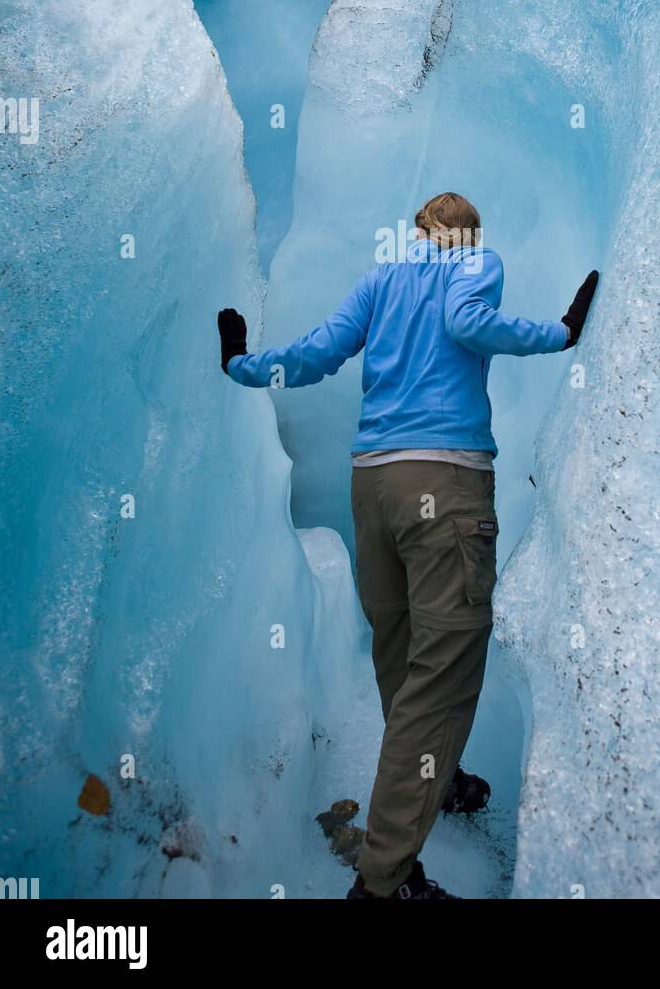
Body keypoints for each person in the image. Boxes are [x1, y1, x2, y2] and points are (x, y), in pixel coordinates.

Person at [218, 192, 599, 899]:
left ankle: (438, 779)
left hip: (375, 487)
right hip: (444, 481)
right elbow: (466, 321)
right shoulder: (474, 263)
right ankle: (384, 881)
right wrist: (561, 332)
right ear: (465, 234)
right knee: (444, 662)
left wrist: (241, 363)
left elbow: (313, 356)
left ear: (418, 233)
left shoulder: (380, 280)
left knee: (399, 644)